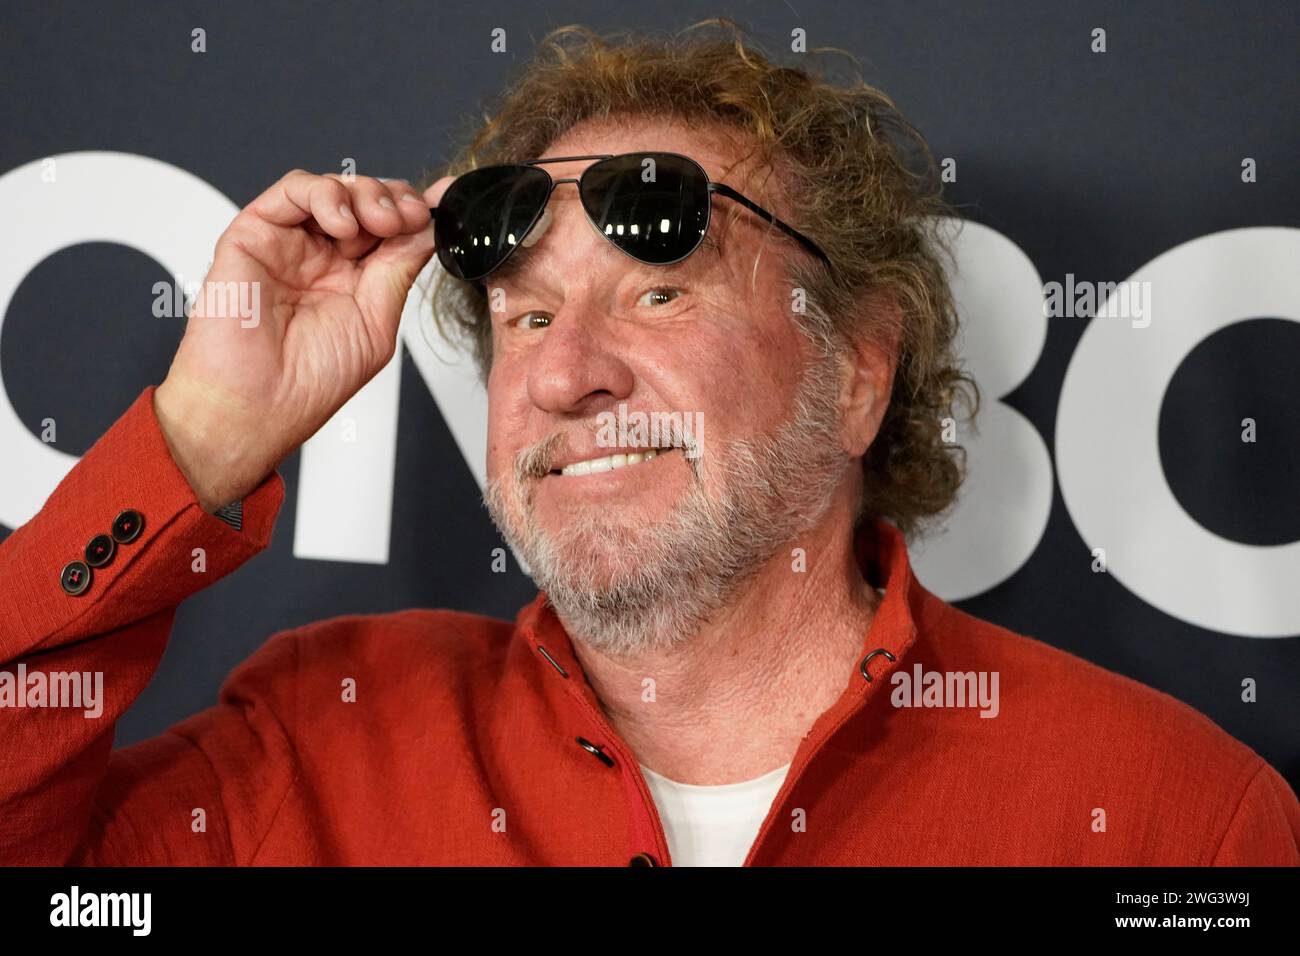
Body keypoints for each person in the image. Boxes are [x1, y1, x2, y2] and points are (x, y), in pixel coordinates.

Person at [1, 21, 1296, 867]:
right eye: (526, 316)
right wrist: (202, 440)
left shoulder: (1176, 820)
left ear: (856, 369)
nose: (565, 375)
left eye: (660, 293)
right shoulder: (310, 750)